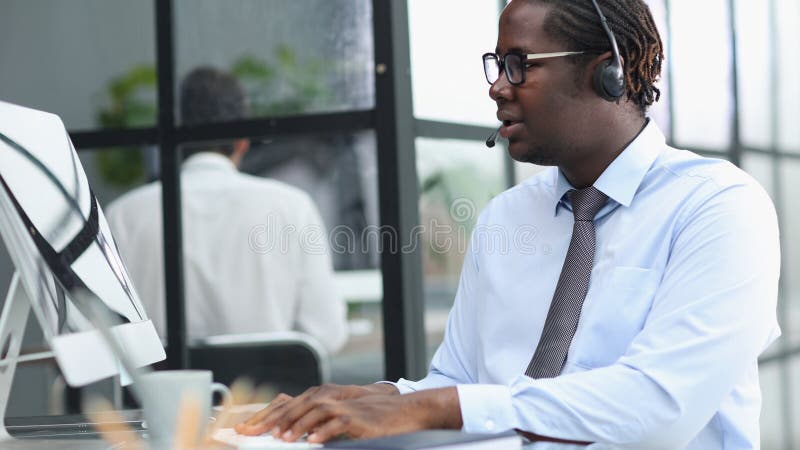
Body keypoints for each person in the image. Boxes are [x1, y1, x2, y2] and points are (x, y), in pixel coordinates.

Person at [234, 0, 780, 448]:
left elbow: (660, 408)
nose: (497, 87)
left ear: (605, 72)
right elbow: (458, 383)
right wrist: (377, 400)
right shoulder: (506, 217)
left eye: (519, 64)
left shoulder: (718, 207)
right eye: (496, 65)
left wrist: (437, 406)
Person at [105, 67, 348, 354]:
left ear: (170, 139)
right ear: (243, 142)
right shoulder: (293, 207)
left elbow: (105, 336)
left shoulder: (123, 215)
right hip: (271, 396)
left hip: (162, 396)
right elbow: (327, 332)